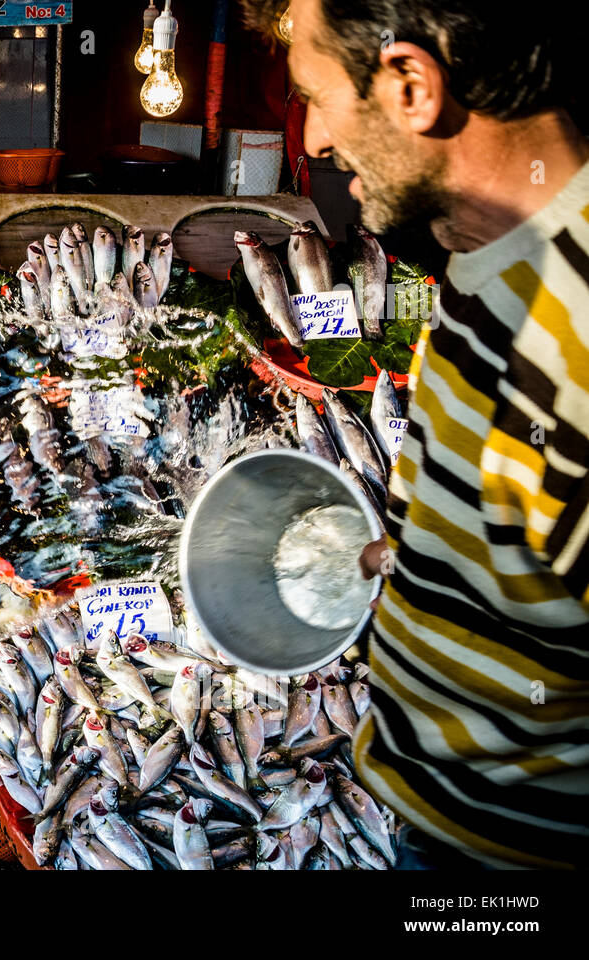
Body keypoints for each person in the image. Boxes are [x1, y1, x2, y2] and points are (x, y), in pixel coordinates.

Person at [241, 0, 589, 868]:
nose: (314, 139)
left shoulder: (572, 336)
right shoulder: (483, 268)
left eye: (315, 95)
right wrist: (396, 557)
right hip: (438, 829)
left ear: (411, 86)